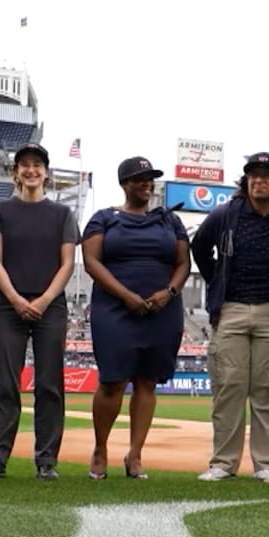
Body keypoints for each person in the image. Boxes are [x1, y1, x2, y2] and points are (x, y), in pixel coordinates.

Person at [190, 152, 269, 484]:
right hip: (232, 308)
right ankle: (223, 463)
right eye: (253, 175)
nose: (259, 180)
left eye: (266, 175)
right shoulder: (227, 214)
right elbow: (199, 248)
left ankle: (266, 463)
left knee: (268, 390)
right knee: (229, 387)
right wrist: (216, 283)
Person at [80, 156, 190, 479]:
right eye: (139, 178)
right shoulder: (104, 218)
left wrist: (167, 293)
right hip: (115, 308)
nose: (146, 183)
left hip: (162, 310)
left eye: (150, 178)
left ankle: (135, 455)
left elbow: (183, 263)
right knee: (112, 381)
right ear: (124, 183)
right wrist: (126, 296)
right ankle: (100, 449)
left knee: (147, 382)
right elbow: (91, 262)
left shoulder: (170, 221)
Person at [0, 142, 79, 481]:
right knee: (5, 384)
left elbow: (67, 264)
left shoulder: (62, 214)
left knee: (49, 385)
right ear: (15, 172)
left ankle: (46, 461)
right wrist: (18, 300)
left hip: (51, 305)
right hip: (9, 304)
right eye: (25, 165)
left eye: (38, 164)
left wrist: (43, 300)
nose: (31, 170)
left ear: (46, 172)